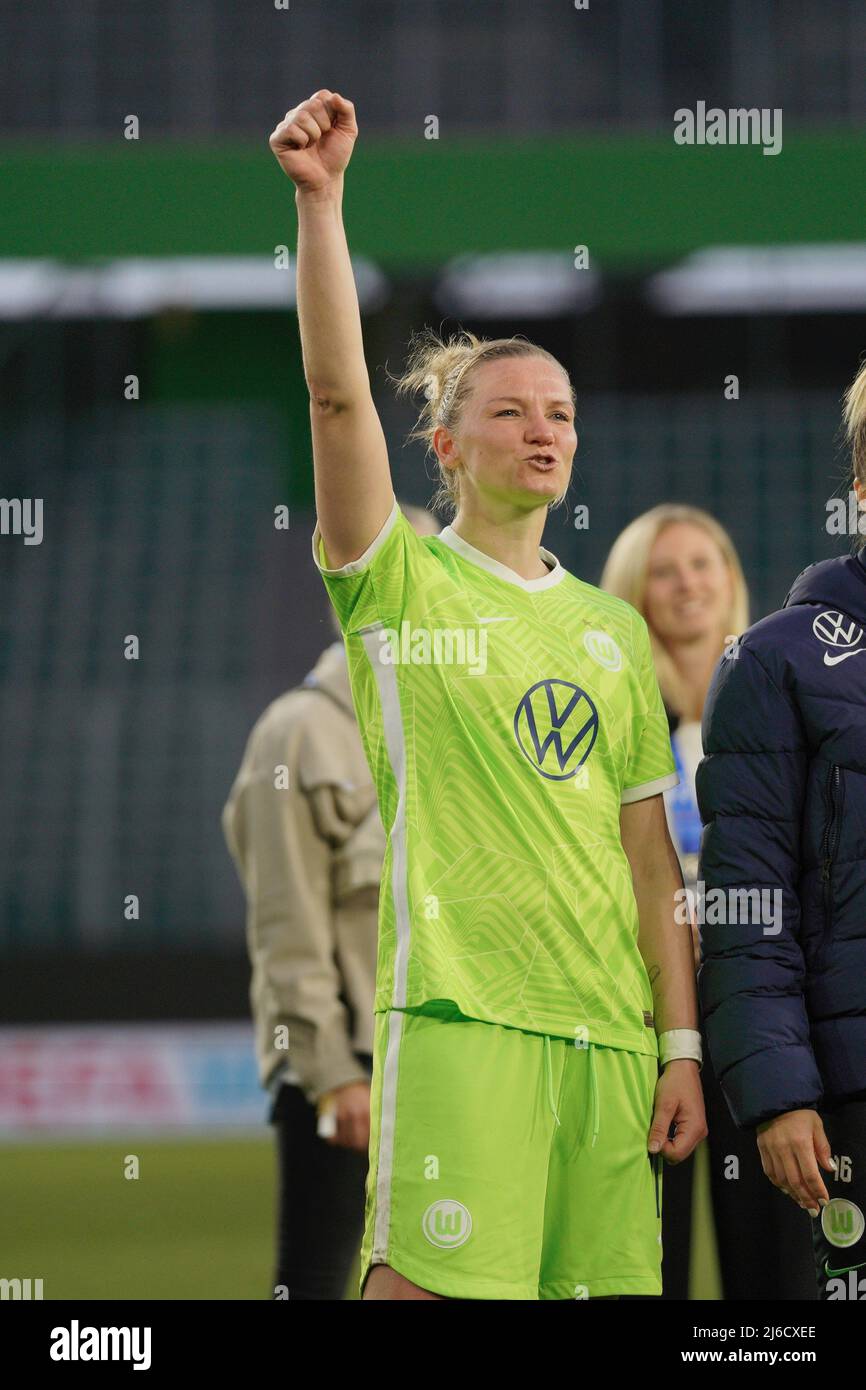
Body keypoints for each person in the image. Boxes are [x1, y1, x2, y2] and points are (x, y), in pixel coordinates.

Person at [268, 87, 706, 1301]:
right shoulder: (397, 581)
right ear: (446, 448)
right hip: (462, 1025)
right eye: (508, 411)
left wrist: (677, 1046)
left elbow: (650, 866)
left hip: (610, 1051)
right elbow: (337, 398)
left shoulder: (612, 633)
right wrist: (322, 205)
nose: (542, 430)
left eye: (559, 413)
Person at [222, 504, 437, 1301]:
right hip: (349, 1073)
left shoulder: (451, 724)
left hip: (443, 1071)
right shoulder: (297, 733)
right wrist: (328, 1075)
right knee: (314, 1285)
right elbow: (286, 927)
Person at [602, 508, 816, 1300]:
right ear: (635, 590)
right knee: (644, 1264)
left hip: (757, 1015)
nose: (689, 584)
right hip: (647, 1018)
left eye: (704, 564)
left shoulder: (779, 699)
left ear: (731, 578)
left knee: (773, 1267)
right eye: (666, 570)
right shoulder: (614, 713)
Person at [697, 358, 866, 1301]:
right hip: (851, 1096)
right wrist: (781, 1094)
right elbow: (747, 905)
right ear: (862, 487)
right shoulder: (776, 661)